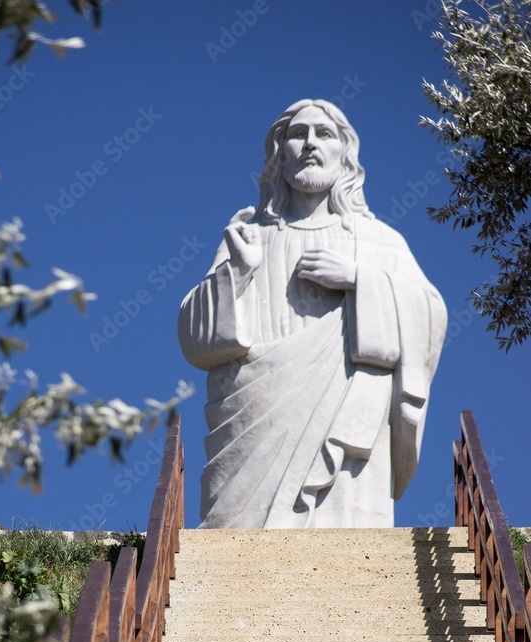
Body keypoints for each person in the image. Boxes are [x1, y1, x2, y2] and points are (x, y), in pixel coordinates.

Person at [178, 99, 447, 528]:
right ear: (278, 155)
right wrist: (238, 272)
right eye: (297, 134)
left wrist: (360, 278)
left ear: (345, 154)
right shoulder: (249, 236)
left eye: (323, 134)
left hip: (346, 409)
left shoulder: (377, 239)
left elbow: (429, 314)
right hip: (254, 415)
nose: (309, 144)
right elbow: (197, 342)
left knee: (347, 534)